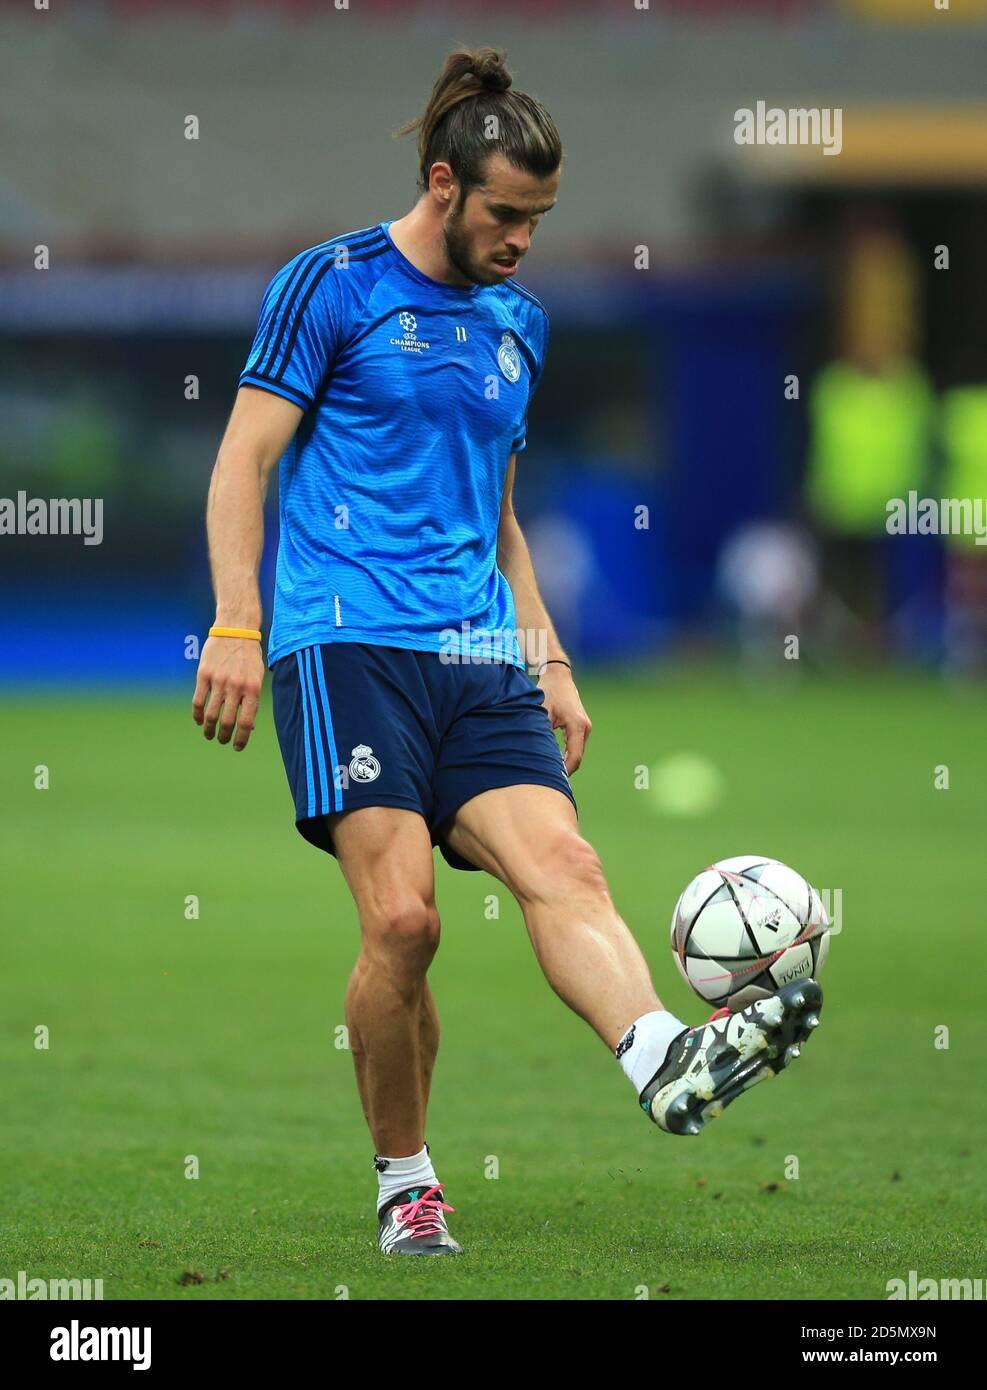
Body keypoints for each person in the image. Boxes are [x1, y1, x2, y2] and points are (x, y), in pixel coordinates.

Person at [192, 46, 822, 1257]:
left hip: (480, 647)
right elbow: (243, 460)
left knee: (568, 866)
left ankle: (666, 1062)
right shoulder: (328, 286)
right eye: (508, 213)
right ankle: (407, 1179)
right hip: (347, 646)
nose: (524, 238)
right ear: (443, 184)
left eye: (540, 218)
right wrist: (235, 619)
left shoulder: (516, 324)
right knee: (407, 926)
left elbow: (500, 515)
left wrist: (552, 658)